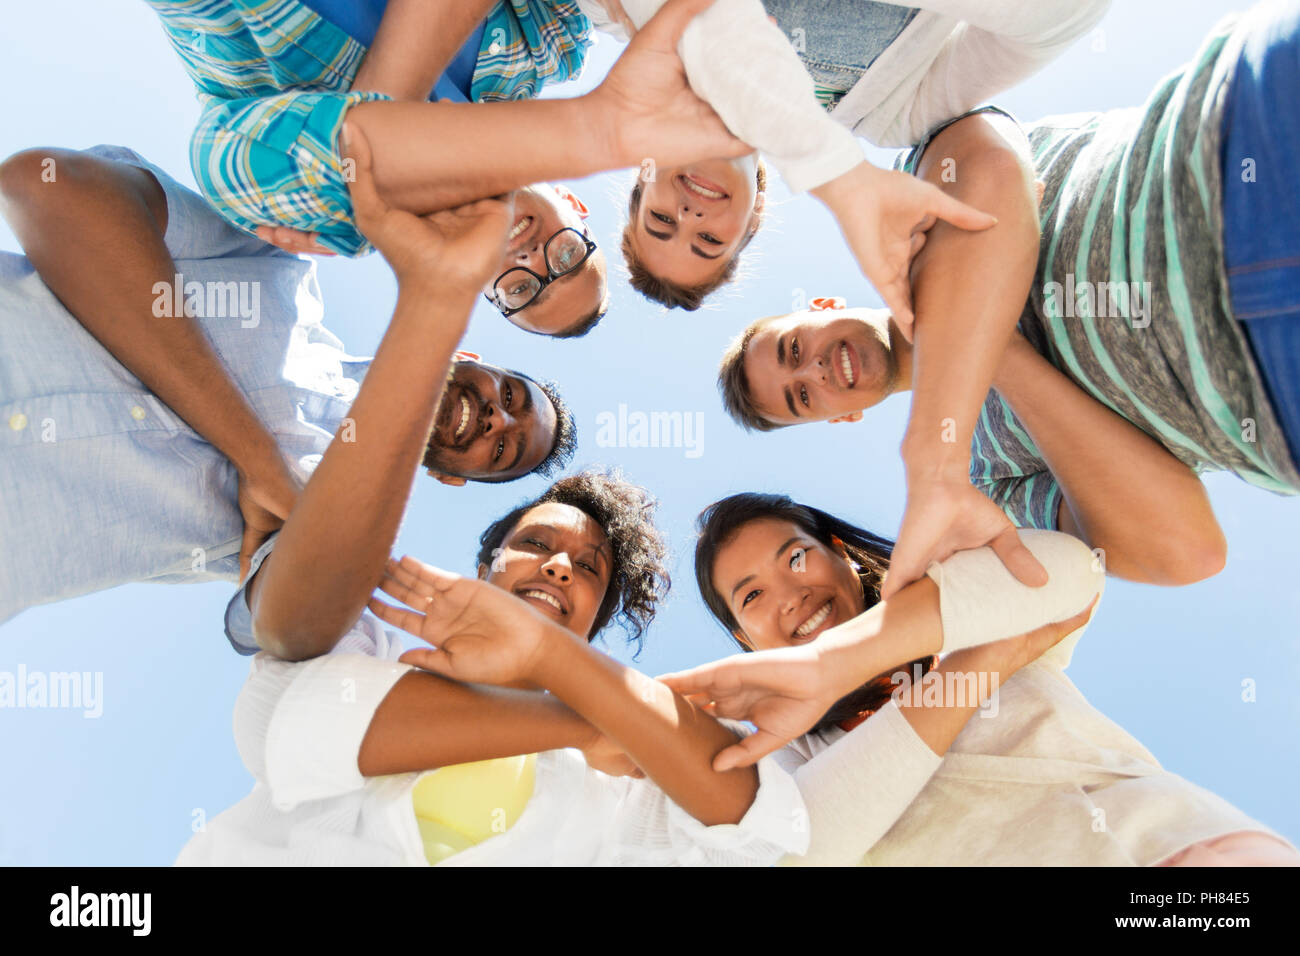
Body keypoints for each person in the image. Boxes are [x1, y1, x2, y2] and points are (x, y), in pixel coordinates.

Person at [719, 0, 1300, 588]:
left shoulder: (908, 187)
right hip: (1273, 390)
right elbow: (1184, 551)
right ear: (842, 419)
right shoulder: (985, 481)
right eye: (801, 398)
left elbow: (994, 167)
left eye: (793, 350)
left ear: (821, 307)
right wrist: (994, 348)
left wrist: (959, 309)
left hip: (1239, 139)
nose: (815, 371)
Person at [0, 143, 574, 626]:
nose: (498, 417)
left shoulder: (328, 529)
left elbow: (273, 633)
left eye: (502, 447)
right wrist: (260, 461)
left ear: (451, 477)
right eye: (511, 395)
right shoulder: (271, 267)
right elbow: (43, 184)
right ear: (468, 356)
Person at [177, 471, 811, 866]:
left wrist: (562, 674)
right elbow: (277, 724)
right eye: (535, 545)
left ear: (590, 626)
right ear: (486, 570)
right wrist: (584, 726)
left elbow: (754, 831)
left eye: (589, 569)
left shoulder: (618, 780)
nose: (560, 567)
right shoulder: (378, 640)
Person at [662, 492, 1300, 866]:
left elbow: (1070, 572)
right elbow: (812, 839)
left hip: (1175, 854)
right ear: (745, 640)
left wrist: (838, 660)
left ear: (842, 555)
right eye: (751, 597)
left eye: (796, 556)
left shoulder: (953, 611)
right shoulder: (774, 757)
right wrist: (988, 661)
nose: (790, 594)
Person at [140, 0, 761, 336]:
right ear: (575, 209)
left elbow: (225, 160)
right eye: (568, 257)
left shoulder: (346, 225)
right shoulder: (550, 49)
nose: (532, 258)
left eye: (520, 289)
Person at [617, 0, 1111, 310]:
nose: (688, 214)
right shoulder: (889, 112)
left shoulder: (639, 24)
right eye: (707, 238)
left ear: (643, 174)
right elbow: (1064, 12)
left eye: (661, 219)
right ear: (753, 219)